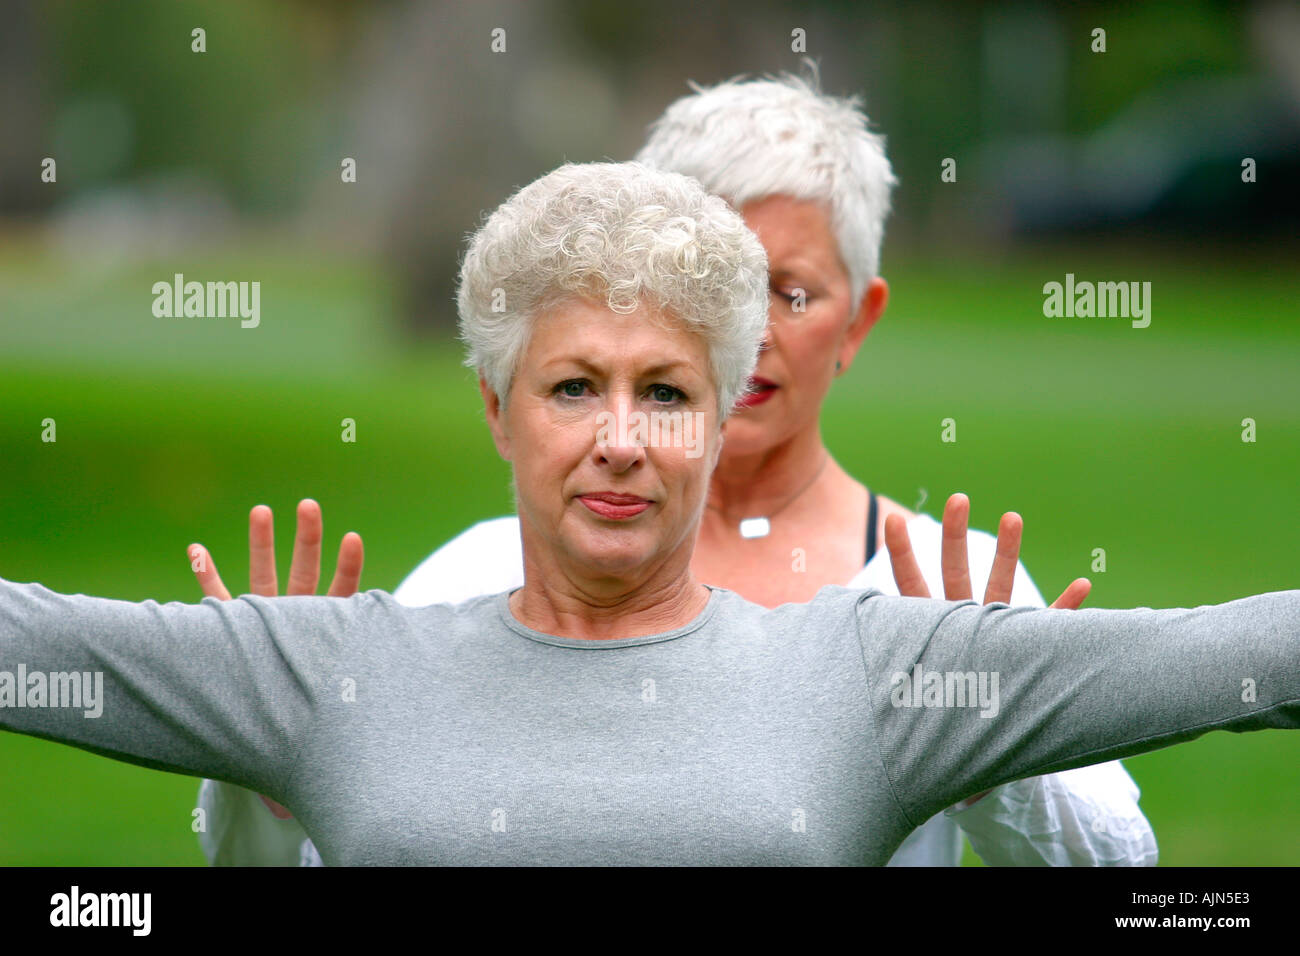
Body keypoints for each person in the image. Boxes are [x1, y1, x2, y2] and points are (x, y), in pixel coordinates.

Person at [3, 162, 1296, 866]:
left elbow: (1242, 658)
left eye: (667, 392)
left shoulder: (886, 663)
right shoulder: (325, 663)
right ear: (499, 411)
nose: (622, 439)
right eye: (574, 386)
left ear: (723, 408)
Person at [194, 74, 1154, 866]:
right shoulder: (480, 576)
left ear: (858, 321)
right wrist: (271, 749)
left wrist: (993, 755)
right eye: (710, 286)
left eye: (792, 291)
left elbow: (1124, 874)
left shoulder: (947, 600)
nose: (754, 332)